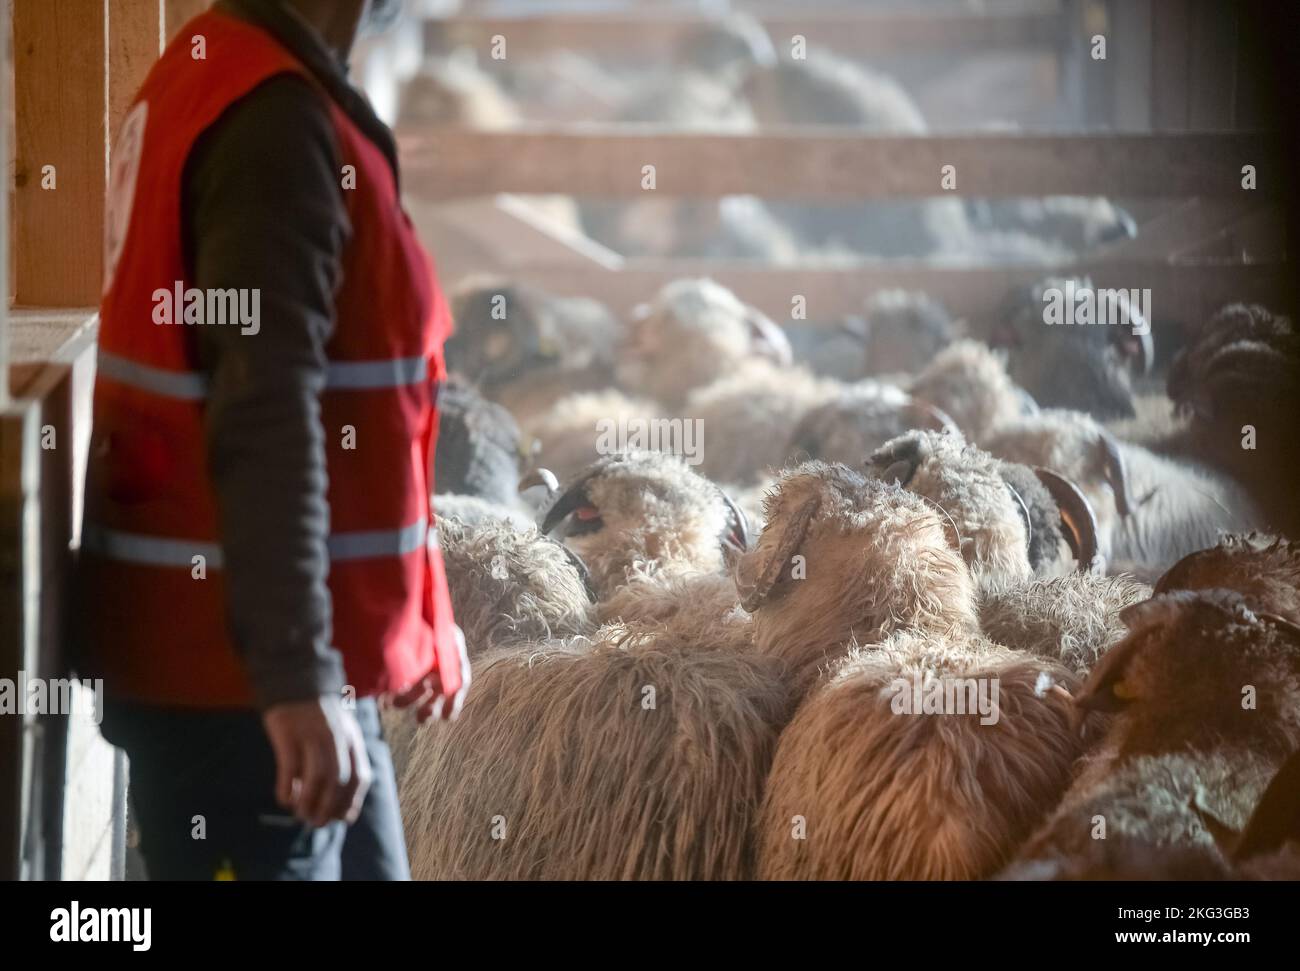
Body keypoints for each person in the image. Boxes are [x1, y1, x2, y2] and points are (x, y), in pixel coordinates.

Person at [78, 0, 468, 880]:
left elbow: (342, 405)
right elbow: (265, 411)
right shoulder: (272, 121)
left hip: (276, 656)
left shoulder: (236, 75)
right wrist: (294, 681)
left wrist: (405, 614)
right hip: (245, 684)